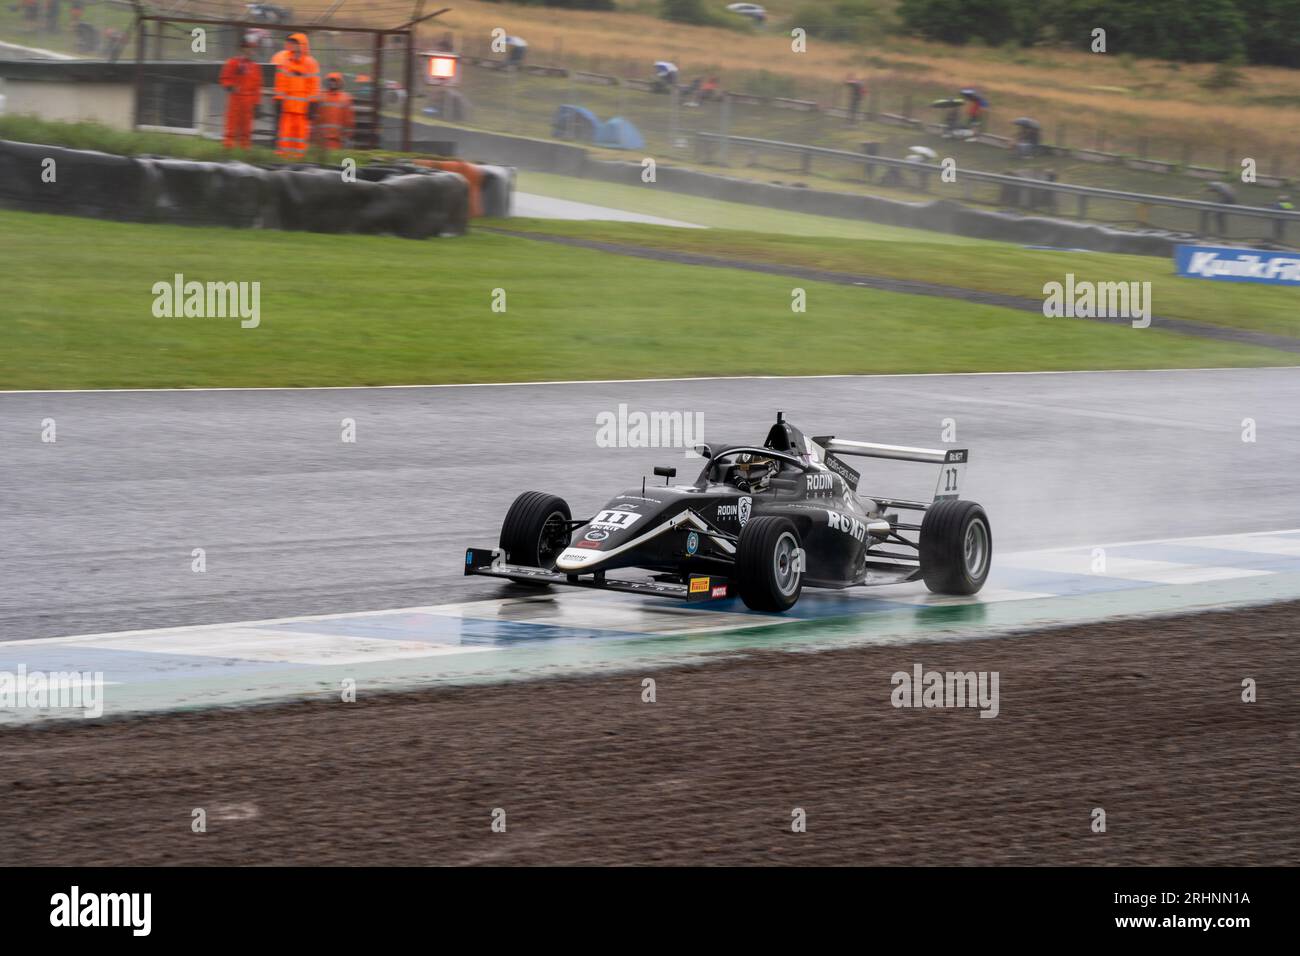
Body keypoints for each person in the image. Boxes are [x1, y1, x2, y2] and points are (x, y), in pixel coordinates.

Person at [272, 32, 320, 159]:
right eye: (292, 43)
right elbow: (281, 83)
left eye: (296, 43)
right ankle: (283, 157)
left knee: (300, 136)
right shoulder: (286, 62)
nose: (293, 45)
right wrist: (278, 100)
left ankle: (299, 158)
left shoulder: (311, 63)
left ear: (303, 45)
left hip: (303, 109)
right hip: (288, 108)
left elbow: (313, 85)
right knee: (285, 133)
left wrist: (313, 104)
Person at [219, 34, 263, 150]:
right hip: (236, 98)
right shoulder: (233, 63)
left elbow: (257, 87)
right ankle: (228, 147)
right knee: (231, 124)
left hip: (249, 101)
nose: (250, 51)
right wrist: (230, 87)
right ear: (242, 48)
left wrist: (257, 104)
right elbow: (224, 78)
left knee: (247, 127)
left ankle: (245, 148)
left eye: (252, 48)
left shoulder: (255, 67)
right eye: (248, 48)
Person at [316, 72, 355, 150]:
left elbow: (349, 119)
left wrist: (347, 136)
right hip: (322, 139)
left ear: (339, 82)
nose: (332, 83)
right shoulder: (320, 96)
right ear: (327, 82)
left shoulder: (346, 98)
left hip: (338, 140)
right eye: (331, 81)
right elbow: (316, 116)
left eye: (335, 81)